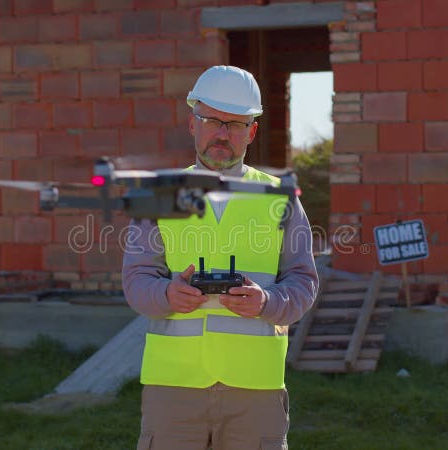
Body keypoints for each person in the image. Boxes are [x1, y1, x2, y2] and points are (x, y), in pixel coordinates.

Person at [122, 65, 319, 450]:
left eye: (234, 123)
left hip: (255, 389)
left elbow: (304, 282)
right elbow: (136, 280)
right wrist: (166, 296)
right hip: (174, 387)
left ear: (252, 131)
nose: (221, 133)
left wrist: (267, 302)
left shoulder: (281, 199)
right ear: (192, 123)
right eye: (211, 119)